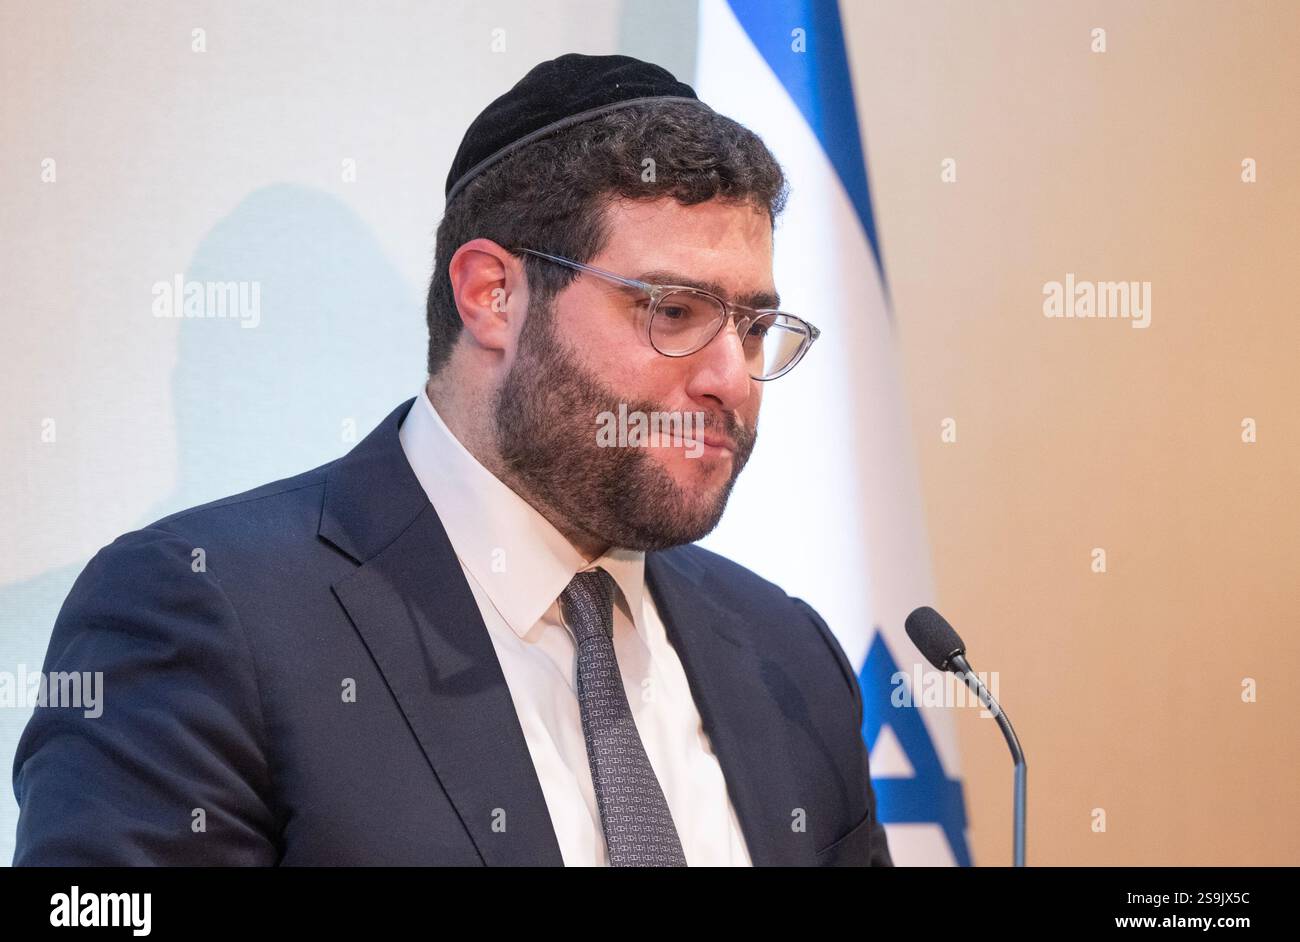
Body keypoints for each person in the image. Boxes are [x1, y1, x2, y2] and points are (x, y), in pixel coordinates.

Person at [12, 52, 892, 866]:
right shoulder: (205, 616)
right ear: (491, 295)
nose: (731, 378)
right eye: (673, 312)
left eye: (754, 326)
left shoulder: (790, 657)